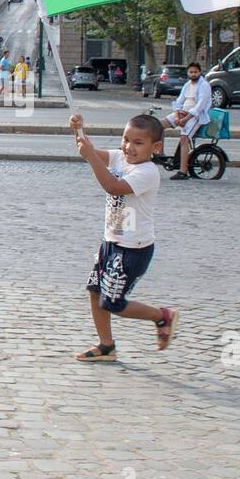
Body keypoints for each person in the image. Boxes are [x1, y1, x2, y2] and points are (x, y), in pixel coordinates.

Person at [67, 112, 176, 362]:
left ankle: (161, 316)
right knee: (94, 290)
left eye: (138, 143)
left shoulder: (148, 172)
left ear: (155, 147)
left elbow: (113, 187)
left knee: (113, 303)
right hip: (111, 242)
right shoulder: (119, 158)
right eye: (126, 139)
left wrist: (91, 157)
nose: (129, 147)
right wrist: (78, 129)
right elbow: (90, 151)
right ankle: (106, 346)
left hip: (133, 248)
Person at [162, 62, 211, 181]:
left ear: (199, 72)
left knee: (184, 139)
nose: (193, 74)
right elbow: (179, 101)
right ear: (188, 73)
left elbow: (200, 106)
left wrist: (185, 118)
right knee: (158, 125)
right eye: (191, 72)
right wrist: (178, 115)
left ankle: (183, 171)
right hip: (182, 113)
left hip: (196, 116)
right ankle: (160, 153)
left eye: (195, 72)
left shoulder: (204, 85)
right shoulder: (187, 85)